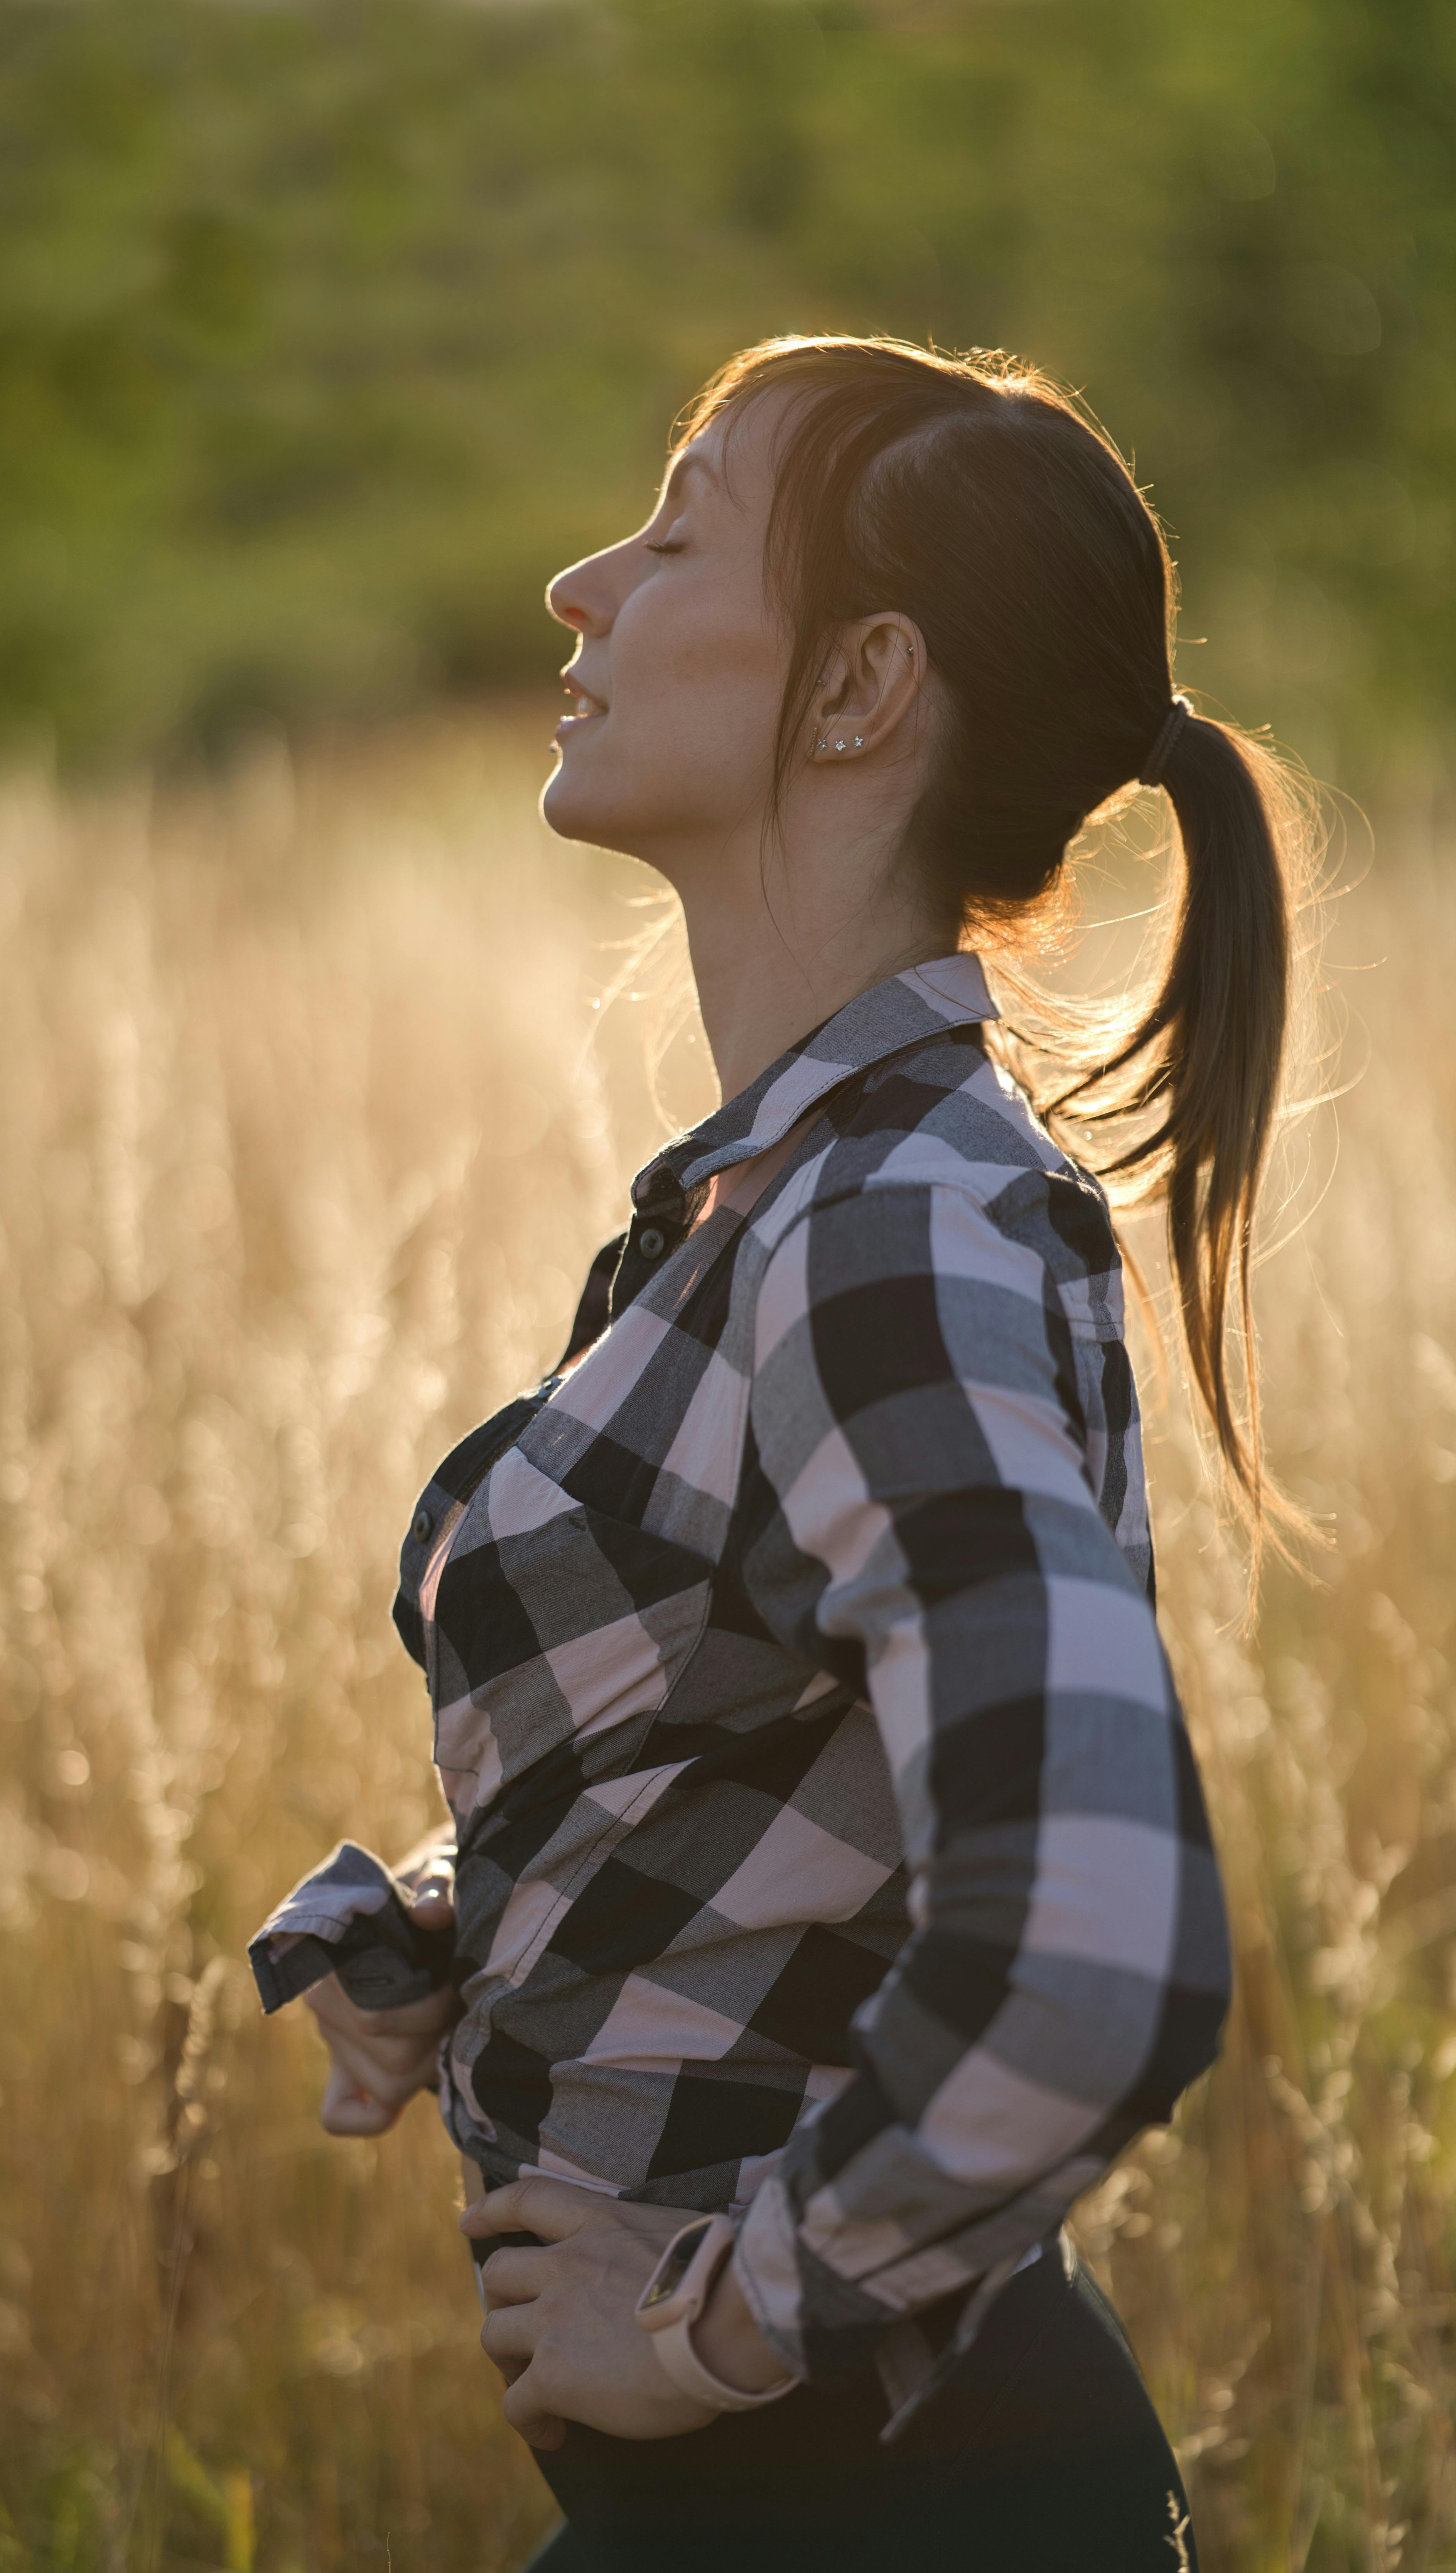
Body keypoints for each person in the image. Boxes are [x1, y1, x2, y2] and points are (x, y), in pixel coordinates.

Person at [250, 334, 1309, 2571]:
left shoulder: (887, 1226)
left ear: (858, 694)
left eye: (678, 528)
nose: (576, 585)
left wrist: (727, 2321)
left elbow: (1101, 1933)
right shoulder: (786, 1198)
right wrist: (464, 1922)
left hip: (873, 2504)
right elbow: (808, 1763)